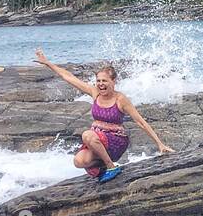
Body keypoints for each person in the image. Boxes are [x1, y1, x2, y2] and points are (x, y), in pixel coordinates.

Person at [34, 49, 174, 182]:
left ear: (113, 82)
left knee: (87, 135)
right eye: (99, 81)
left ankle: (111, 166)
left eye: (104, 81)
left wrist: (160, 144)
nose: (101, 84)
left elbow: (140, 122)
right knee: (79, 161)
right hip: (98, 142)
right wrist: (48, 63)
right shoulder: (95, 93)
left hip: (116, 141)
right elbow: (68, 77)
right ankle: (103, 166)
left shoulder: (121, 99)